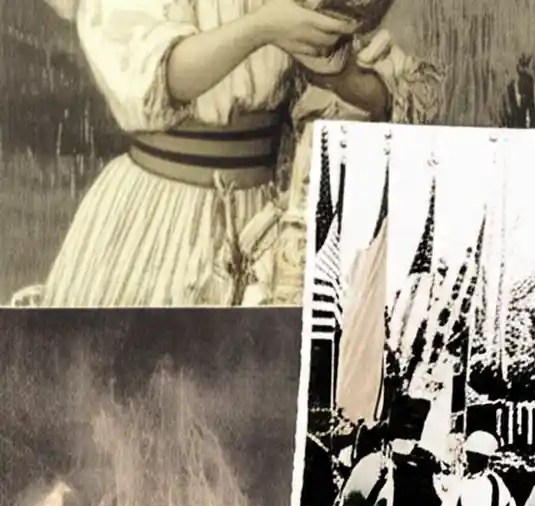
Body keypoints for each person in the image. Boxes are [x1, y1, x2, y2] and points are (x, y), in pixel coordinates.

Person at [22, 0, 441, 307]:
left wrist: (335, 65)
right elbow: (160, 77)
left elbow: (365, 99)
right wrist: (262, 28)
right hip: (160, 210)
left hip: (262, 216)